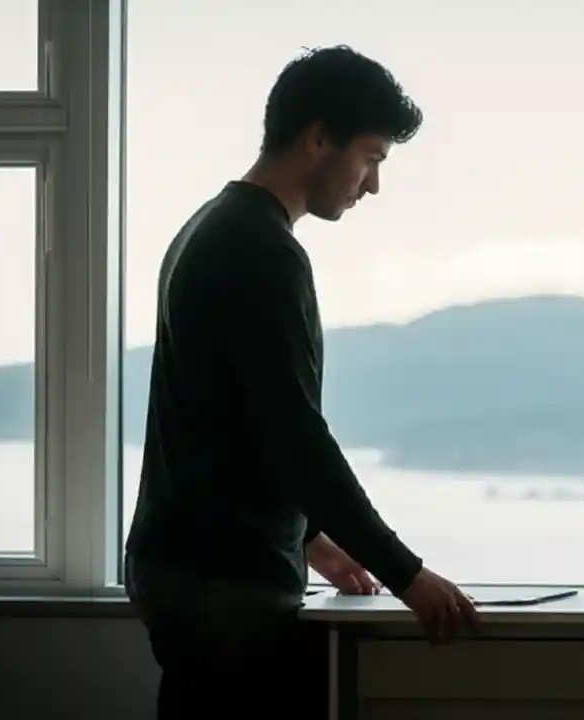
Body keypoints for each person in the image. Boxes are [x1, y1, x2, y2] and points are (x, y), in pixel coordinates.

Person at [123, 45, 480, 717]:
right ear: (318, 139)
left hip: (182, 566)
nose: (371, 184)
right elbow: (295, 438)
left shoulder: (208, 227)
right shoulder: (262, 251)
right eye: (370, 157)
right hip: (222, 585)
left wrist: (311, 539)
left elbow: (231, 422)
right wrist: (408, 575)